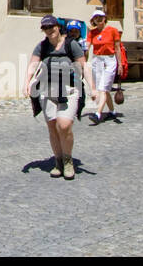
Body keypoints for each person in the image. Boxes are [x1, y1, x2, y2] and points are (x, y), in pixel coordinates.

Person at [26, 15, 96, 180]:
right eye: (45, 28)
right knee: (52, 126)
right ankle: (58, 162)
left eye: (51, 26)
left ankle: (68, 160)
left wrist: (92, 87)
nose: (49, 30)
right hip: (47, 90)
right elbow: (33, 65)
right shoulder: (42, 46)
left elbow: (84, 67)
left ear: (58, 27)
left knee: (63, 126)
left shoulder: (71, 44)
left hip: (69, 90)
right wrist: (26, 83)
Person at [86, 9, 121, 123]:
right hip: (97, 60)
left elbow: (117, 48)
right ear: (93, 20)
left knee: (103, 88)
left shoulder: (113, 31)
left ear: (105, 18)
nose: (99, 19)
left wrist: (120, 64)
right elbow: (87, 47)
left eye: (100, 17)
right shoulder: (92, 32)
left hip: (109, 60)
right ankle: (112, 112)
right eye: (96, 18)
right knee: (104, 89)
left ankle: (98, 113)